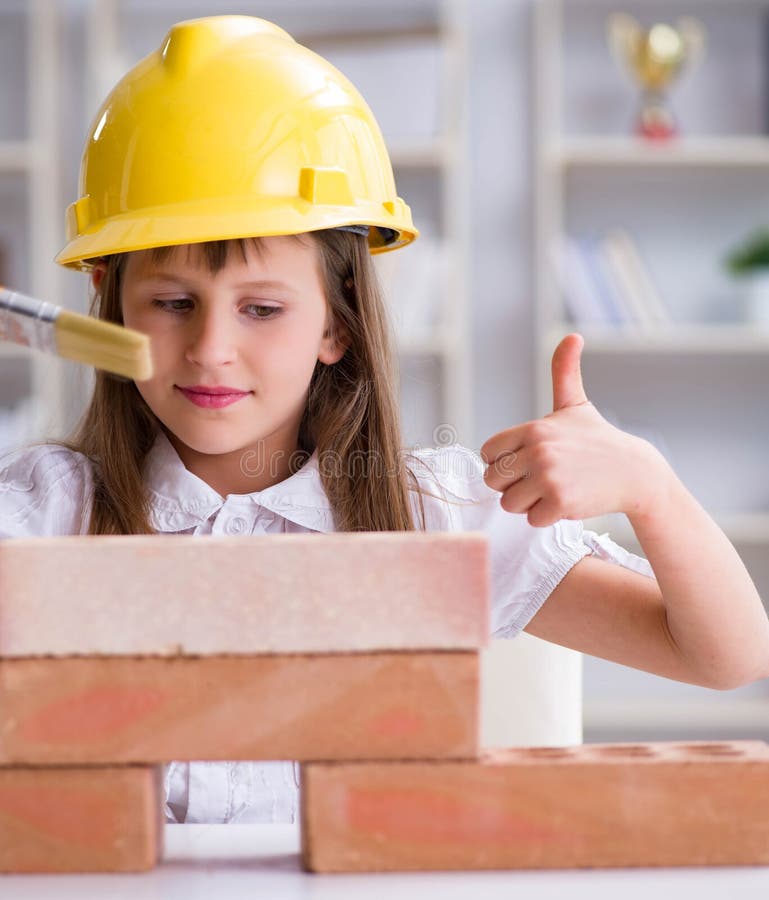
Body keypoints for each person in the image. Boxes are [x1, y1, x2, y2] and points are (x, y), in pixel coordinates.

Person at [1, 15, 767, 825]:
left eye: (261, 308)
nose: (211, 349)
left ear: (336, 326)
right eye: (172, 303)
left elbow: (726, 655)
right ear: (109, 309)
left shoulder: (436, 513)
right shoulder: (49, 512)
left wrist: (650, 488)